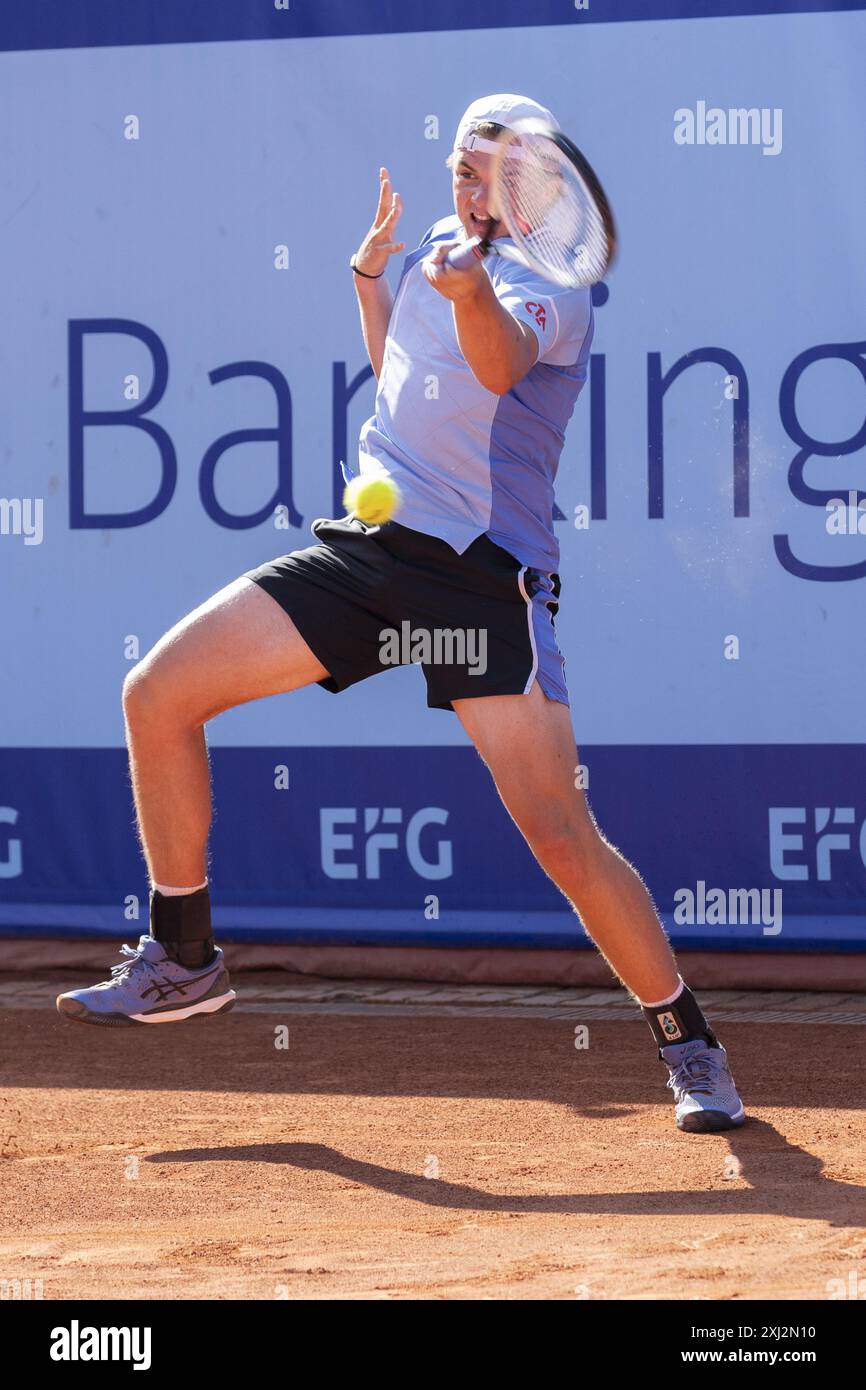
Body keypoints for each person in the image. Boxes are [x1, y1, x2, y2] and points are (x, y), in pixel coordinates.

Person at [58, 94, 744, 1134]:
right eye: (462, 166)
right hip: (367, 555)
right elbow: (403, 380)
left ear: (539, 186)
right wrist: (371, 284)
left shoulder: (552, 291)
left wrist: (466, 291)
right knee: (156, 692)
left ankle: (685, 1040)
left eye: (494, 171)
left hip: (478, 585)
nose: (470, 185)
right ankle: (185, 954)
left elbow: (495, 362)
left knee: (561, 836)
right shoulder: (438, 242)